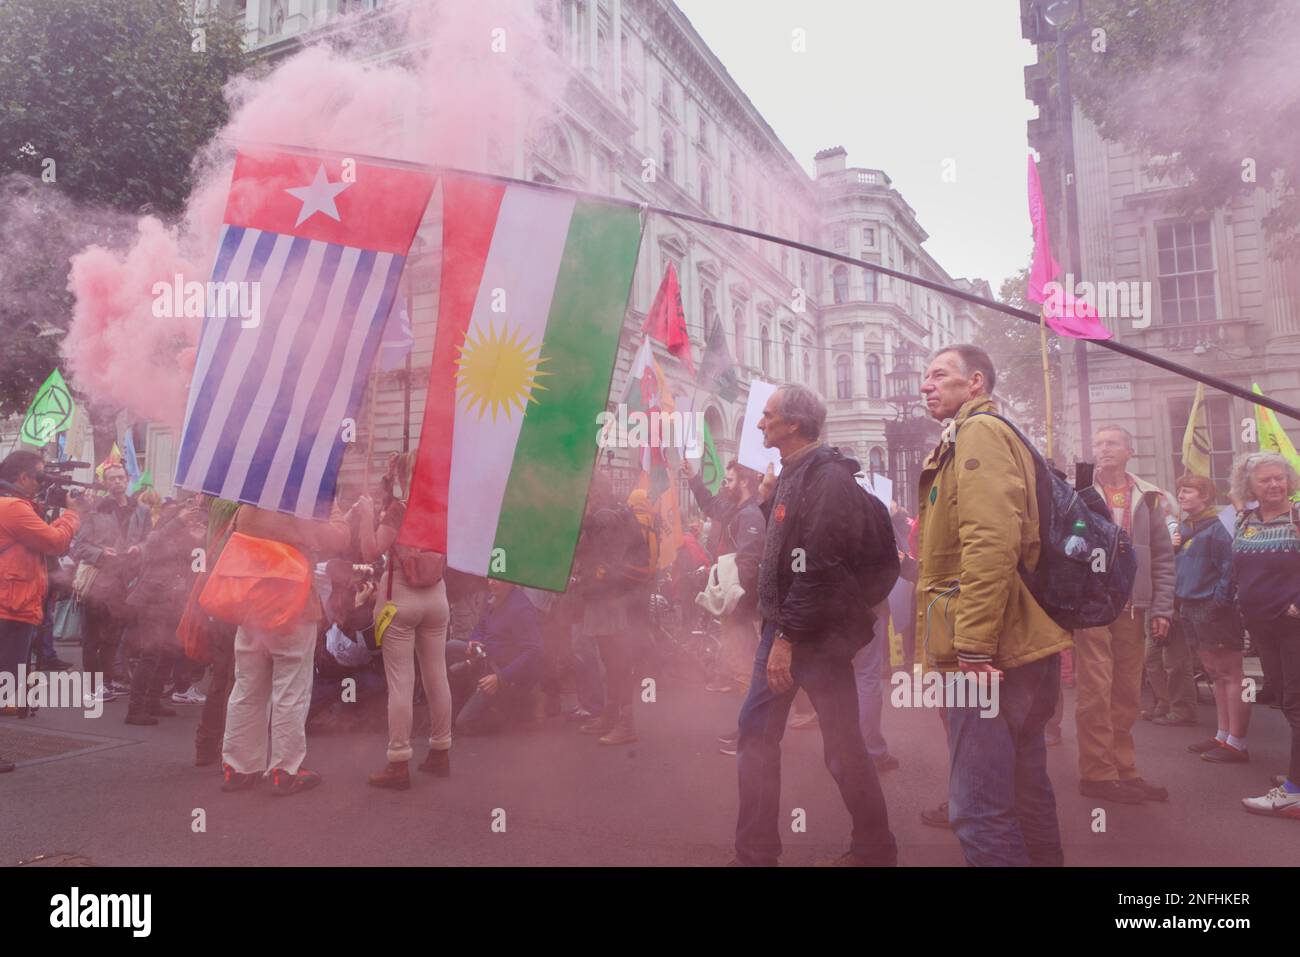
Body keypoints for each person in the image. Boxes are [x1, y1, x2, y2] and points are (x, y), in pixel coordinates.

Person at [913, 345, 1068, 866]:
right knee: (1025, 789)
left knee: (978, 806)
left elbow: (990, 540)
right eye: (923, 377)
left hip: (987, 653)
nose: (925, 385)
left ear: (974, 382)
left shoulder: (977, 433)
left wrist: (972, 648)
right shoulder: (979, 434)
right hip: (1018, 645)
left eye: (938, 375)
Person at [733, 383, 896, 867]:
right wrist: (767, 504)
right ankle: (758, 854)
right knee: (764, 736)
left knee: (835, 747)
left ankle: (872, 850)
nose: (761, 423)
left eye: (767, 416)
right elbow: (795, 546)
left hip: (808, 638)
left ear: (793, 425)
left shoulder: (825, 478)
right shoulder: (794, 472)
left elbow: (817, 567)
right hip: (793, 632)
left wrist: (785, 639)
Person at [1073, 425, 1176, 805]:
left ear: (1130, 451)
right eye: (1097, 443)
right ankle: (1097, 773)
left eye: (1111, 443)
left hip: (1132, 605)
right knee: (1095, 689)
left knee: (1127, 691)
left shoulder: (1148, 497)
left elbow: (1164, 557)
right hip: (1094, 606)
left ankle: (1124, 769)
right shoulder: (1080, 493)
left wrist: (1162, 606)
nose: (1103, 449)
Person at [219, 503, 350, 796]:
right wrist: (332, 506)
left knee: (247, 688)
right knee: (290, 689)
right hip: (293, 605)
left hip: (251, 606)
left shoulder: (249, 504)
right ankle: (284, 770)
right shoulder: (302, 501)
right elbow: (339, 538)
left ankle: (238, 768)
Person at [357, 450, 452, 791]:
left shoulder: (400, 510)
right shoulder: (441, 507)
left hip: (401, 598)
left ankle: (398, 761)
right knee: (436, 675)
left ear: (403, 475)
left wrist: (366, 516)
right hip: (437, 598)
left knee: (401, 682)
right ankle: (440, 752)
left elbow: (370, 550)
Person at [0, 451, 84, 770]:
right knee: (3, 681)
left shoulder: (11, 504)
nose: (41, 483)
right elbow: (54, 541)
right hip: (10, 606)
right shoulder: (12, 508)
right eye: (39, 477)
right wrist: (72, 514)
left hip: (12, 603)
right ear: (22, 478)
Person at [1230, 453, 1300, 819]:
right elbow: (1239, 568)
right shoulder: (1247, 520)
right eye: (1264, 481)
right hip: (1261, 626)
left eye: (1279, 478)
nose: (1274, 485)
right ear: (1250, 488)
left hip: (1293, 626)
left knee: (1297, 703)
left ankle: (1294, 791)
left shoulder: (1298, 514)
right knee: (1285, 699)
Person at [681, 457, 764, 743]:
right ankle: (751, 730)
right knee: (744, 668)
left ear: (744, 482)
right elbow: (710, 505)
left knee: (745, 669)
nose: (724, 485)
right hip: (735, 603)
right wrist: (693, 479)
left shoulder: (750, 515)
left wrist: (735, 603)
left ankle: (752, 736)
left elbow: (749, 567)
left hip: (739, 606)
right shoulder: (736, 509)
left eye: (729, 480)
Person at [1169, 473, 1249, 764]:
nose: (1182, 495)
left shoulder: (1217, 528)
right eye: (1180, 490)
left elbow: (1229, 569)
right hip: (1190, 605)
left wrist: (1219, 603)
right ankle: (1222, 735)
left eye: (1189, 491)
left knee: (1230, 674)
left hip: (1212, 607)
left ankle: (1237, 743)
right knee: (1215, 675)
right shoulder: (1184, 528)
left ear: (1206, 497)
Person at [121, 498, 207, 726]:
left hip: (175, 600)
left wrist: (200, 540)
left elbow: (197, 567)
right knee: (150, 654)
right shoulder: (170, 523)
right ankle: (135, 709)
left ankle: (152, 701)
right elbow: (151, 544)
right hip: (153, 598)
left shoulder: (196, 532)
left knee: (168, 652)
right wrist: (179, 522)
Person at [69, 464, 150, 700]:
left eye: (121, 478)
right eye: (112, 478)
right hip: (97, 581)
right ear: (104, 482)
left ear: (128, 480)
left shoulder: (141, 510)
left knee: (113, 635)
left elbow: (150, 541)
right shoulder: (94, 509)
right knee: (92, 636)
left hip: (125, 581)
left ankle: (107, 681)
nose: (117, 482)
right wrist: (101, 553)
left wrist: (140, 548)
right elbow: (79, 546)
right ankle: (92, 687)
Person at [571, 475, 641, 746]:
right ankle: (612, 716)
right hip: (607, 596)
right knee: (611, 660)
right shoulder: (611, 513)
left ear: (593, 491)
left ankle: (626, 723)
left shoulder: (603, 518)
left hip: (608, 597)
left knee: (617, 661)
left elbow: (599, 558)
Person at [447, 579, 543, 735]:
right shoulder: (493, 598)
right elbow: (481, 626)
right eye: (490, 578)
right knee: (451, 646)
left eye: (498, 579)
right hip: (486, 660)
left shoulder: (522, 608)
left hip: (505, 674)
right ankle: (464, 699)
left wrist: (500, 677)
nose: (491, 583)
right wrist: (475, 639)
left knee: (464, 722)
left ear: (511, 582)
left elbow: (533, 651)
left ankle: (507, 711)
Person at [193, 497, 241, 767]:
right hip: (236, 596)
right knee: (237, 677)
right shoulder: (240, 507)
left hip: (217, 596)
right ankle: (230, 748)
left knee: (221, 675)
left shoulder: (218, 503)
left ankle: (206, 744)